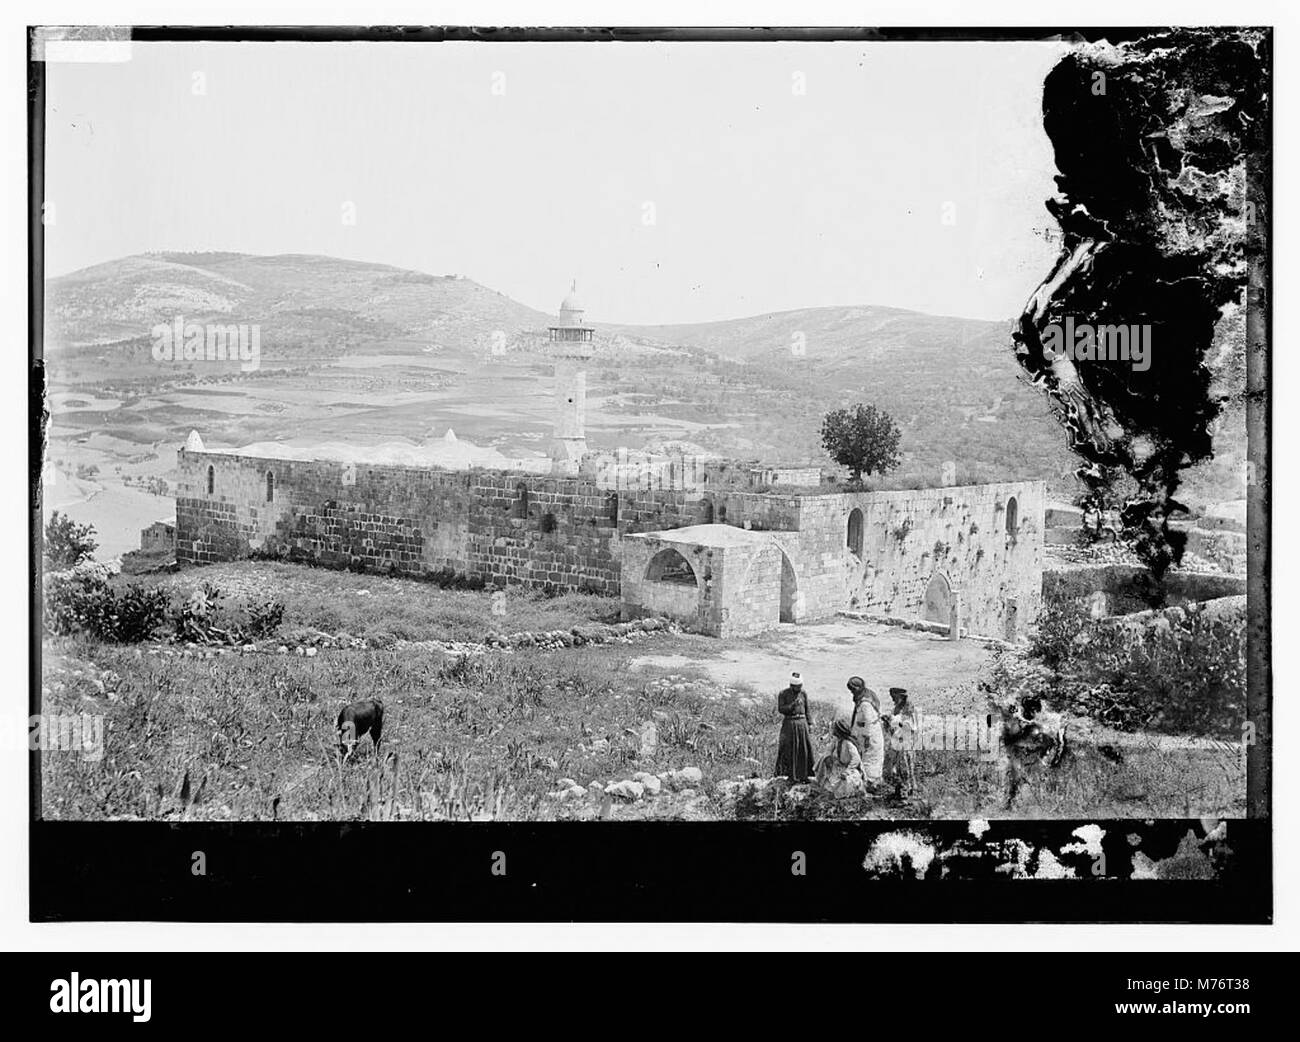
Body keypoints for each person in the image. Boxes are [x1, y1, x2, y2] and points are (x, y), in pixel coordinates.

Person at [774, 671, 816, 782]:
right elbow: (781, 709)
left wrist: (810, 723)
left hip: (802, 724)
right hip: (790, 724)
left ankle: (805, 775)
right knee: (789, 749)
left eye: (800, 685)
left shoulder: (804, 693)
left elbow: (807, 709)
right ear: (791, 685)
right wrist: (793, 705)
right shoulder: (783, 694)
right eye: (797, 686)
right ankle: (789, 775)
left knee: (804, 748)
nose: (799, 688)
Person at [815, 712, 865, 798]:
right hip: (840, 766)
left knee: (845, 783)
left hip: (850, 769)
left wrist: (848, 771)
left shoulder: (848, 743)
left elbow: (856, 759)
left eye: (834, 729)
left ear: (839, 731)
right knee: (824, 762)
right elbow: (828, 750)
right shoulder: (837, 740)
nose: (833, 730)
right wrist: (828, 758)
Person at [847, 676, 885, 787]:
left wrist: (867, 739)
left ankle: (871, 782)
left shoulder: (865, 704)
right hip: (865, 734)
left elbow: (869, 722)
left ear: (858, 689)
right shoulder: (865, 696)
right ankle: (870, 781)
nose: (851, 693)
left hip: (870, 736)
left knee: (870, 758)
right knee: (868, 758)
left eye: (852, 690)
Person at [883, 686, 920, 797]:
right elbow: (891, 730)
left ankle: (908, 789)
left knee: (905, 766)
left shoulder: (910, 710)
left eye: (894, 697)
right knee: (892, 766)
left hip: (905, 742)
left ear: (900, 696)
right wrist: (887, 723)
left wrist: (896, 723)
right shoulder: (895, 709)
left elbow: (912, 727)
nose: (893, 699)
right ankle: (901, 788)